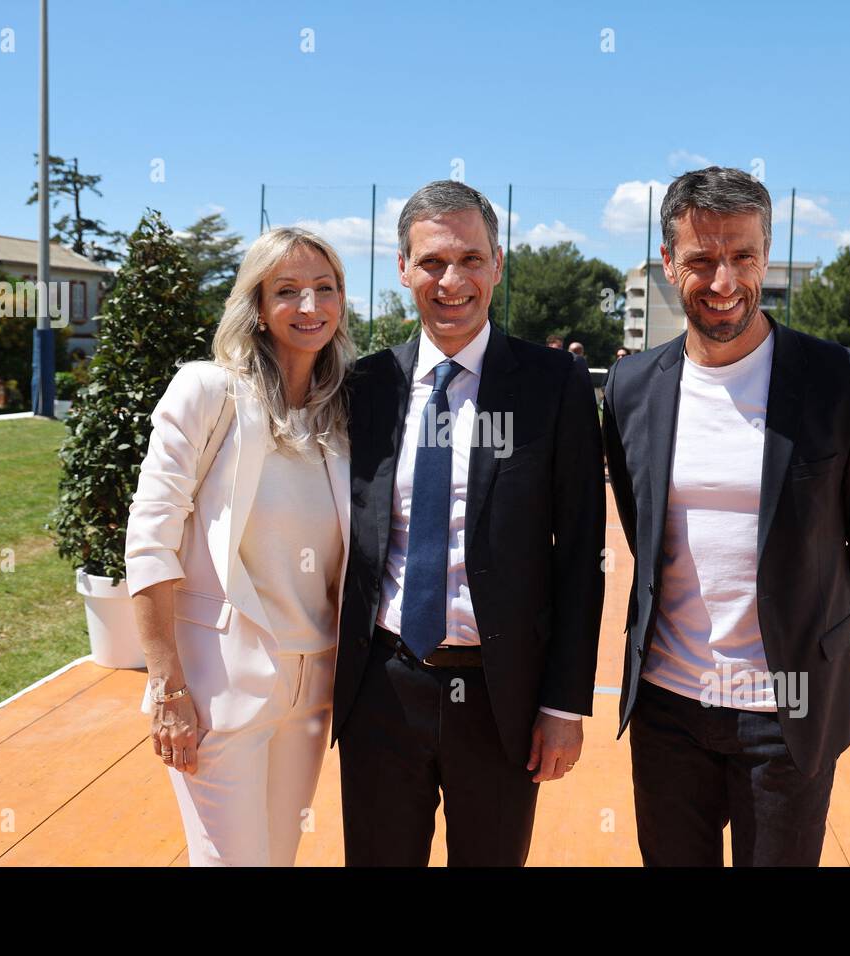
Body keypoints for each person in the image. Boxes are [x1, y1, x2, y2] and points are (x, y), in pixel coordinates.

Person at [602, 166, 850, 866]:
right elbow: (641, 523)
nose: (723, 282)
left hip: (788, 711)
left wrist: (812, 634)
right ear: (667, 262)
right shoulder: (629, 389)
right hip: (666, 709)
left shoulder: (847, 382)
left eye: (742, 256)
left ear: (766, 254)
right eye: (702, 260)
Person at [332, 180, 606, 866]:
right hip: (383, 689)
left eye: (470, 259)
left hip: (501, 698)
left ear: (498, 264)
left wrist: (565, 706)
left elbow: (581, 555)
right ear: (402, 270)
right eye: (430, 262)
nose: (451, 280)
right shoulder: (366, 388)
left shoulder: (554, 386)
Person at [124, 227, 356, 866]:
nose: (310, 306)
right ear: (255, 305)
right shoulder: (207, 392)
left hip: (315, 686)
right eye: (287, 291)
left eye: (324, 288)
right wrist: (167, 686)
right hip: (217, 685)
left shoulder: (342, 415)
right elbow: (149, 540)